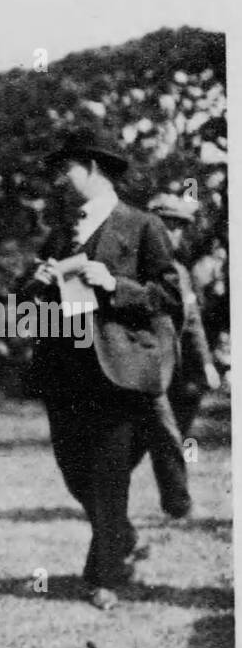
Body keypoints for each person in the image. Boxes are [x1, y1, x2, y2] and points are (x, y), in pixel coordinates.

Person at [22, 127, 182, 611]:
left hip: (118, 370)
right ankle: (123, 537)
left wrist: (116, 283)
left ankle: (103, 575)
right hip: (64, 370)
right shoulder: (61, 233)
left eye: (64, 170)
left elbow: (169, 296)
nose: (58, 182)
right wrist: (36, 283)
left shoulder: (141, 226)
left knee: (109, 473)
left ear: (91, 168)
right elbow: (32, 307)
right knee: (75, 475)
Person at [127, 193, 222, 518]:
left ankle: (106, 489)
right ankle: (179, 504)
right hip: (145, 368)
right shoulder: (131, 268)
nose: (174, 234)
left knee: (164, 436)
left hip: (179, 369)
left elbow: (192, 321)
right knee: (164, 434)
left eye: (180, 227)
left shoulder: (178, 271)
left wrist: (206, 363)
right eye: (167, 225)